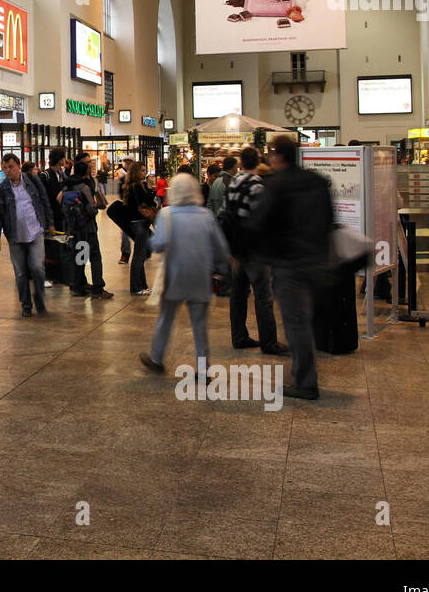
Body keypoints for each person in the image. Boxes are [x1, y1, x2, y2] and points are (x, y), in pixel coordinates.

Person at [248, 135, 334, 401]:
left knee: (296, 323)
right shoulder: (317, 182)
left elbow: (260, 222)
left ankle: (306, 382)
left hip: (289, 264)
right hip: (317, 260)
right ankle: (303, 373)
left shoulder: (276, 185)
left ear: (277, 156)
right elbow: (330, 220)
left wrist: (249, 253)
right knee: (306, 320)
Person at [138, 174, 231, 377]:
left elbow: (159, 243)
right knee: (199, 325)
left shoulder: (167, 215)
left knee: (166, 318)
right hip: (200, 275)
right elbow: (220, 247)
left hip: (175, 275)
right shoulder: (206, 215)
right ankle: (204, 368)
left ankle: (157, 358)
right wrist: (223, 269)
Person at [223, 147, 286, 354]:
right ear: (258, 162)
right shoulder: (258, 186)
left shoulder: (233, 183)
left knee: (238, 295)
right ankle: (269, 342)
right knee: (263, 297)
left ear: (241, 163)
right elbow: (261, 219)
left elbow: (227, 214)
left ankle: (239, 336)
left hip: (236, 250)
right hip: (254, 251)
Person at [0, 153, 54, 318]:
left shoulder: (32, 180)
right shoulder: (2, 189)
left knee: (38, 268)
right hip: (15, 236)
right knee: (20, 273)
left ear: (19, 165)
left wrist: (50, 222)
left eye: (11, 167)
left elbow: (45, 201)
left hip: (36, 231)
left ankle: (39, 298)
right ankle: (26, 304)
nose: (8, 171)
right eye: (5, 168)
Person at [62, 159, 112, 299]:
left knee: (80, 257)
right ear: (85, 172)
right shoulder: (83, 187)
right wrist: (95, 209)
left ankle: (78, 286)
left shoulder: (67, 186)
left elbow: (61, 204)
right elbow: (91, 208)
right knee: (95, 256)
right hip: (87, 228)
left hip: (74, 228)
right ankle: (97, 288)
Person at [124, 162, 158, 295]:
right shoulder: (136, 186)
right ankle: (137, 287)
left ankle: (142, 285)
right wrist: (152, 189)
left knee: (141, 254)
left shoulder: (134, 186)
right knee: (139, 255)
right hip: (139, 222)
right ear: (136, 172)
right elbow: (148, 201)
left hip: (138, 222)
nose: (145, 173)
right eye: (142, 171)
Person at [116, 158, 134, 264]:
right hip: (127, 208)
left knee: (140, 233)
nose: (127, 164)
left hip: (137, 210)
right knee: (125, 233)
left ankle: (146, 250)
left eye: (129, 162)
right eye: (126, 162)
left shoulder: (139, 178)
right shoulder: (123, 179)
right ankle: (125, 254)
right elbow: (120, 194)